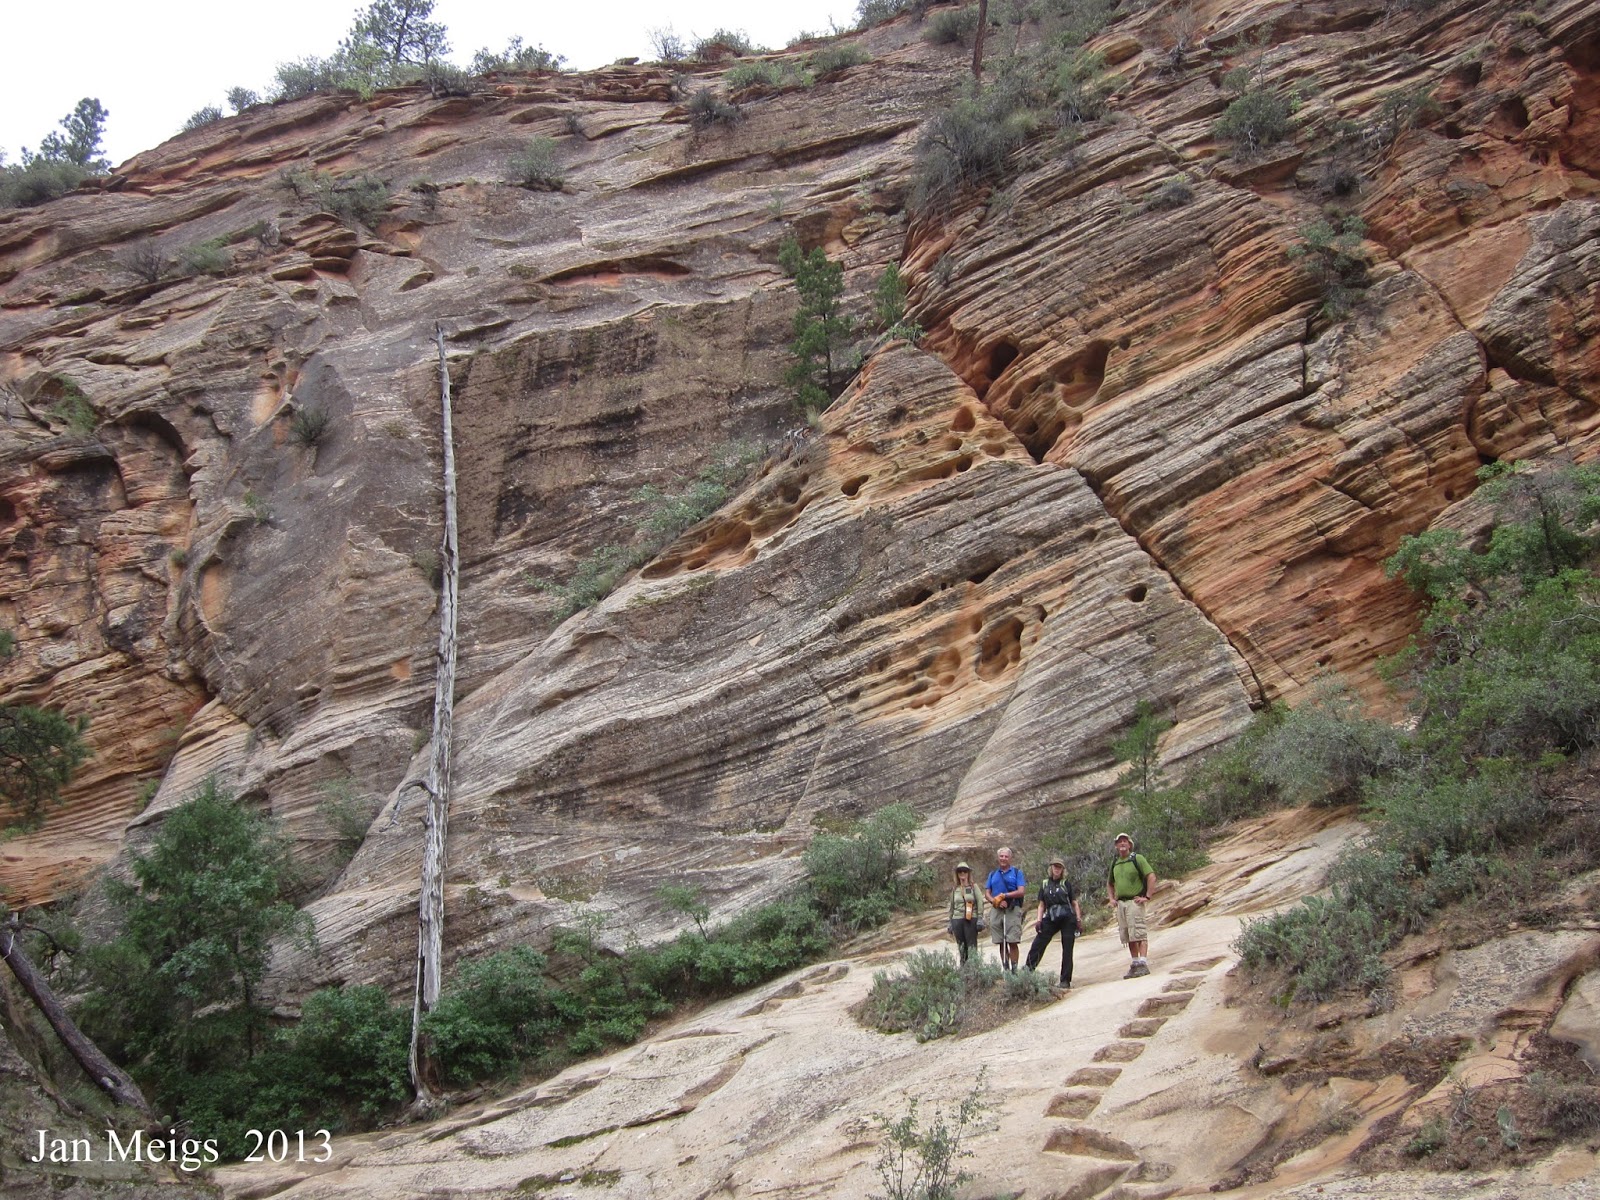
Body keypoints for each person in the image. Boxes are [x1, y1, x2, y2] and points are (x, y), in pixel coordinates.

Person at [1025, 855, 1082, 991]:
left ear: (1063, 870)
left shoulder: (1066, 883)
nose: (1057, 869)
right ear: (1051, 868)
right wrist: (1039, 920)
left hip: (1067, 917)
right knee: (1038, 943)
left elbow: (1074, 903)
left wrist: (1078, 920)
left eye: (1059, 867)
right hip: (1051, 916)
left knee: (1067, 947)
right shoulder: (1045, 884)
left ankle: (1065, 980)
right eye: (1055, 867)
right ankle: (1027, 971)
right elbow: (1041, 904)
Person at [1106, 832, 1156, 978]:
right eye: (1119, 842)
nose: (1122, 844)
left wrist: (1147, 896)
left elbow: (1151, 876)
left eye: (1125, 841)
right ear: (1116, 846)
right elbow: (1110, 883)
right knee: (1128, 934)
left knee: (1139, 932)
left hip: (1134, 901)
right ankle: (1135, 963)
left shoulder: (1137, 859)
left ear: (1129, 845)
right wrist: (1111, 899)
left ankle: (1143, 962)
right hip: (1121, 903)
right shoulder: (1115, 862)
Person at [983, 846, 1026, 971]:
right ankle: (1005, 968)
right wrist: (995, 902)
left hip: (1012, 908)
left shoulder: (1017, 873)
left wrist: (1004, 896)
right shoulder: (992, 874)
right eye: (1001, 856)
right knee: (1001, 941)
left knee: (1012, 940)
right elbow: (987, 893)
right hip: (997, 910)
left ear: (1010, 858)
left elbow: (1021, 891)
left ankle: (1014, 969)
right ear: (998, 858)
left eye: (1006, 856)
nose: (1003, 858)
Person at [947, 862, 981, 965]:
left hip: (971, 918)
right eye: (960, 871)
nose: (962, 873)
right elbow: (952, 906)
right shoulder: (955, 889)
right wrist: (950, 922)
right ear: (957, 874)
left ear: (968, 873)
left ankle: (974, 969)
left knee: (971, 946)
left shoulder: (973, 887)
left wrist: (980, 918)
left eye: (965, 871)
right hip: (957, 919)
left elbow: (980, 902)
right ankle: (963, 969)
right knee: (961, 946)